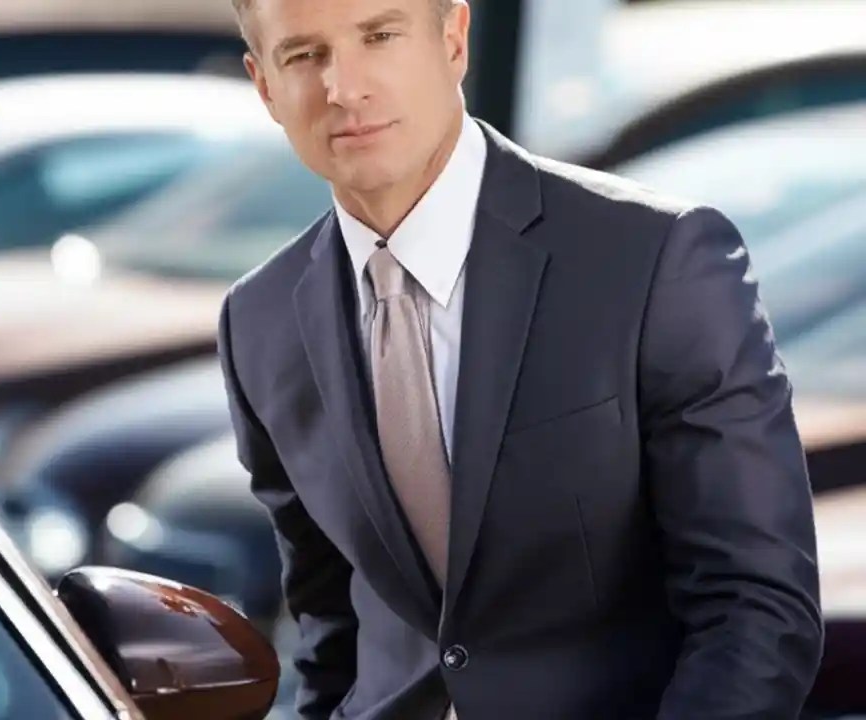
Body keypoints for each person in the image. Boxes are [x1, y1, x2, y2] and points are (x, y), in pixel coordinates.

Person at [215, 0, 824, 717]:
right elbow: (330, 630)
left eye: (379, 36)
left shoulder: (656, 258)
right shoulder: (259, 321)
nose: (344, 87)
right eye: (304, 56)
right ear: (264, 86)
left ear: (453, 39)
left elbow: (756, 608)